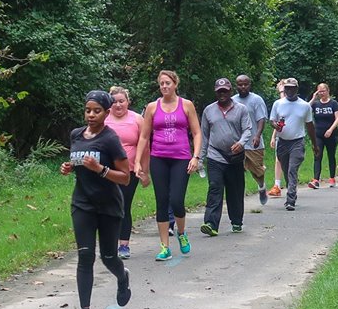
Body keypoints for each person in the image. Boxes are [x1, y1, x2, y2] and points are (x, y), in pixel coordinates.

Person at [59, 90, 131, 309]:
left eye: (96, 111)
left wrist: (100, 169)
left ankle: (122, 277)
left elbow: (125, 178)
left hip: (109, 206)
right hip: (82, 204)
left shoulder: (110, 139)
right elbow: (79, 163)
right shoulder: (76, 134)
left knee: (108, 257)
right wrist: (70, 167)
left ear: (106, 113)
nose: (91, 115)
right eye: (88, 110)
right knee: (85, 256)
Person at [134, 70, 202, 261]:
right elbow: (144, 136)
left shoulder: (186, 105)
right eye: (162, 83)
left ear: (175, 84)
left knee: (177, 200)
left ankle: (181, 232)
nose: (164, 86)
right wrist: (138, 161)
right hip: (159, 158)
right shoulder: (152, 107)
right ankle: (165, 247)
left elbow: (197, 133)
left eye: (168, 83)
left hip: (181, 158)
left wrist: (195, 157)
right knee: (161, 201)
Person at [200, 78, 252, 235]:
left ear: (230, 91)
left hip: (235, 156)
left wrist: (242, 143)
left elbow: (248, 129)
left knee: (235, 190)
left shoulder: (241, 109)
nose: (222, 94)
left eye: (225, 91)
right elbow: (204, 136)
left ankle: (236, 221)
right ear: (215, 92)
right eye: (219, 91)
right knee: (215, 187)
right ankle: (211, 223)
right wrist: (200, 158)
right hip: (215, 155)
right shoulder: (209, 110)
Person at [106, 86, 146, 259]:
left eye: (121, 101)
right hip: (106, 171)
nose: (118, 105)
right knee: (108, 207)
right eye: (114, 102)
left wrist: (144, 170)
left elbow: (145, 146)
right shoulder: (103, 119)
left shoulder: (137, 119)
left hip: (129, 171)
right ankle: (109, 244)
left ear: (128, 102)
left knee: (123, 205)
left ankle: (123, 245)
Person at [268, 78, 320, 211]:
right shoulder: (278, 104)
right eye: (287, 88)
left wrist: (315, 145)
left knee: (292, 169)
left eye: (292, 88)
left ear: (297, 89)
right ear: (284, 89)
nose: (289, 90)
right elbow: (272, 120)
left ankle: (291, 199)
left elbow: (310, 126)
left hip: (297, 142)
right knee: (286, 170)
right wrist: (276, 126)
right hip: (282, 142)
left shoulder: (304, 106)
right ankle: (291, 189)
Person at [231, 75, 269, 204]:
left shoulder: (256, 100)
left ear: (250, 85)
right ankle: (237, 197)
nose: (243, 87)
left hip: (253, 143)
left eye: (245, 84)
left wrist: (257, 135)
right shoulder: (232, 100)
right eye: (240, 84)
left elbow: (261, 119)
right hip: (236, 143)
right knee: (235, 171)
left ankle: (262, 186)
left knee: (257, 171)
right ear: (236, 86)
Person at [308, 83, 338, 189]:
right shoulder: (316, 104)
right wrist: (313, 98)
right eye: (319, 91)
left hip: (331, 134)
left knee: (331, 156)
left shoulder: (333, 103)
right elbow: (305, 109)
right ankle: (316, 180)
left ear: (328, 91)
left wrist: (331, 129)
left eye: (323, 91)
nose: (322, 93)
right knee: (317, 156)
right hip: (318, 134)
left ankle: (332, 178)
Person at [266, 80, 286, 198]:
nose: (282, 94)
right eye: (280, 92)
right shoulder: (278, 104)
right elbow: (277, 123)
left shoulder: (295, 103)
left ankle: (291, 183)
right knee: (278, 159)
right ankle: (277, 185)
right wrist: (273, 136)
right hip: (281, 136)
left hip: (294, 137)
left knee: (290, 162)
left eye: (283, 91)